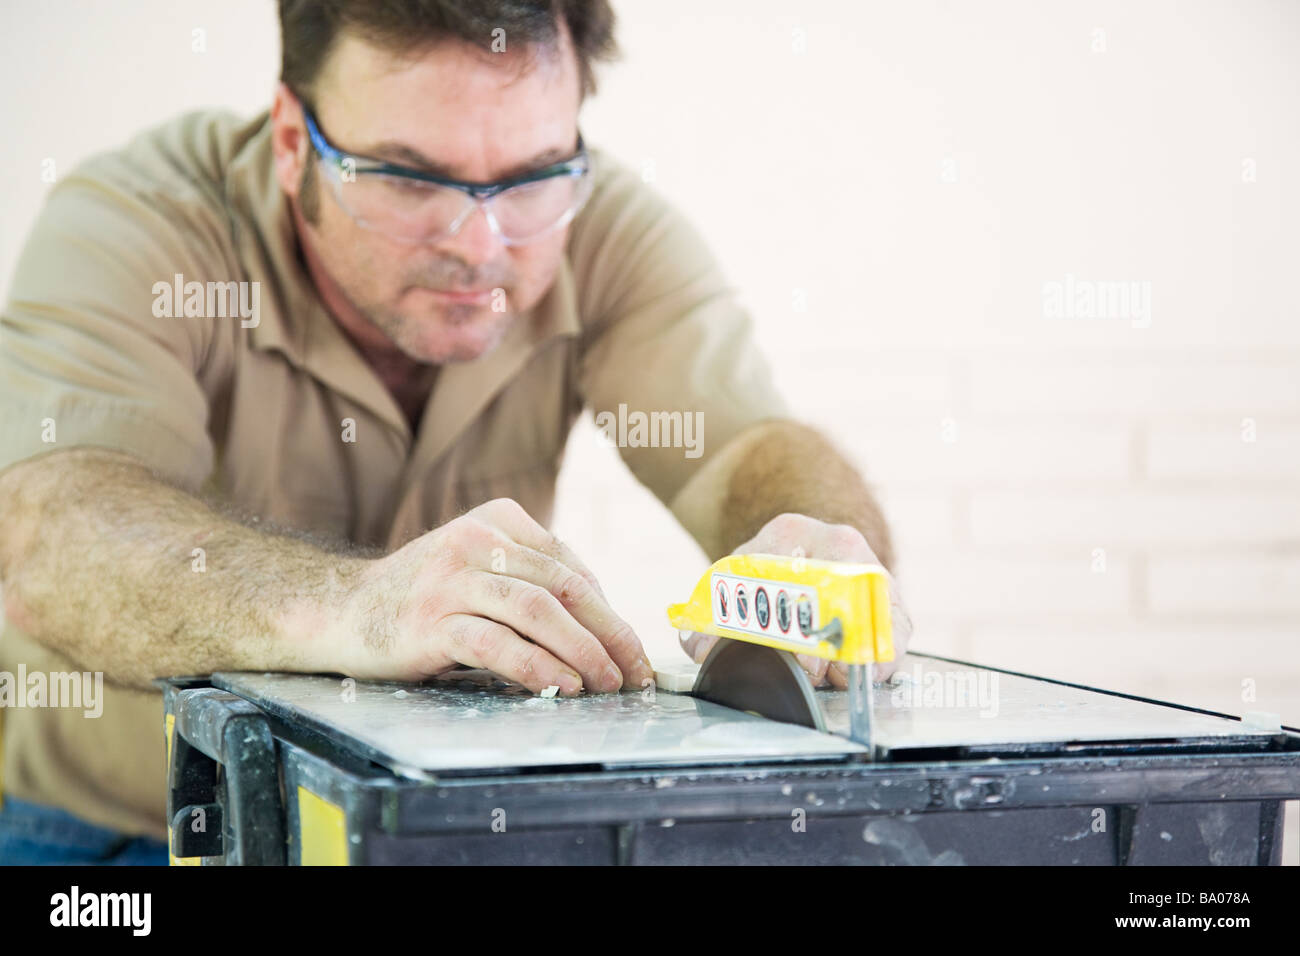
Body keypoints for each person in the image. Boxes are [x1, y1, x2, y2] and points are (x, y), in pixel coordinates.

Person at [0, 0, 911, 865]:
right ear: (291, 143)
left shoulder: (595, 222)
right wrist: (361, 605)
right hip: (115, 833)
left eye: (528, 177)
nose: (480, 245)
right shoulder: (144, 221)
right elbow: (52, 535)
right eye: (406, 177)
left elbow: (742, 447)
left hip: (447, 821)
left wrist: (819, 550)